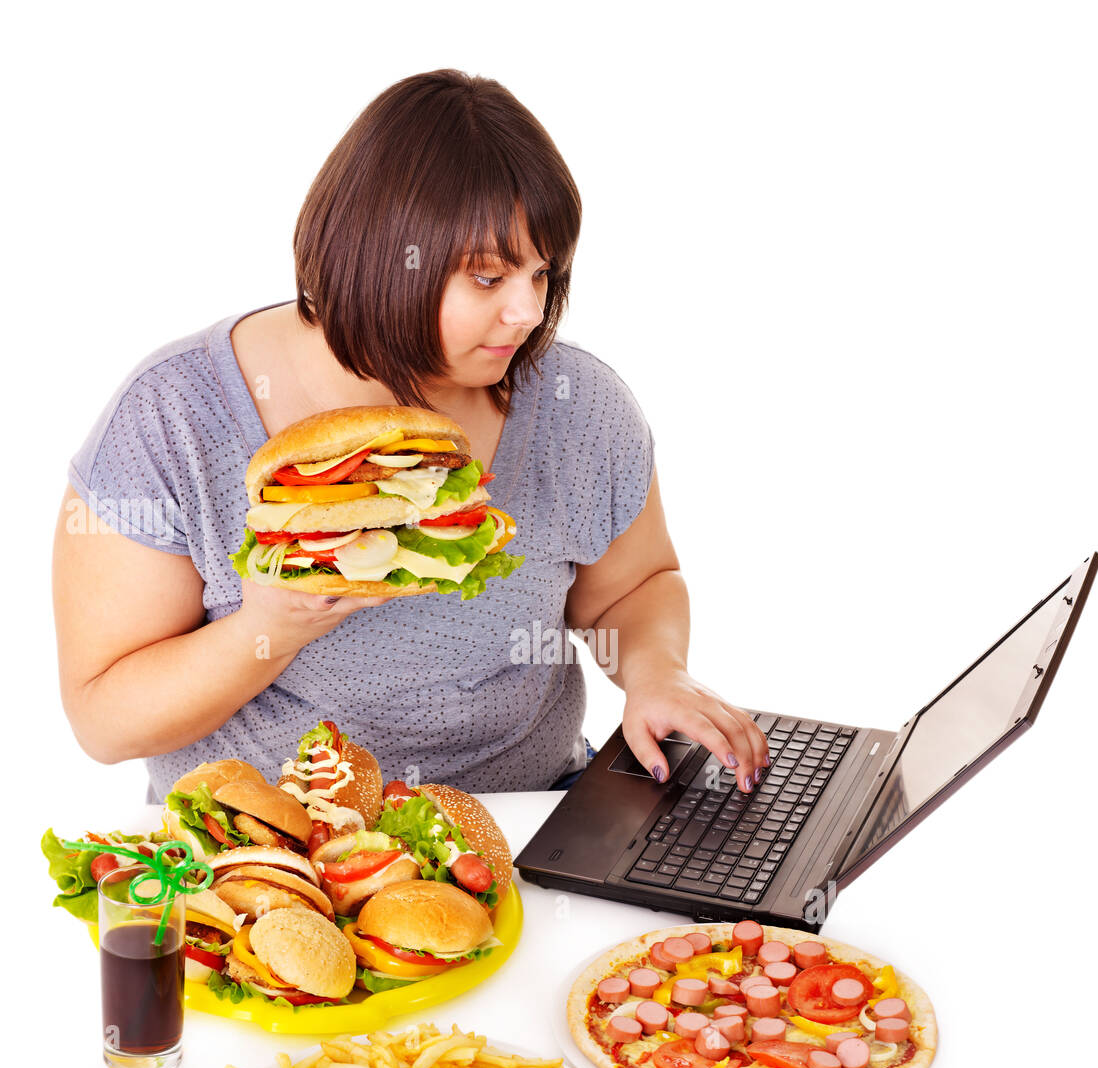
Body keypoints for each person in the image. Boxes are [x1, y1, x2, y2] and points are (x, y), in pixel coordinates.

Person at [53, 69, 769, 800]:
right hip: (271, 861)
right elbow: (104, 720)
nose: (527, 312)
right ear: (376, 259)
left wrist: (656, 674)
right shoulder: (175, 415)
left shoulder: (577, 404)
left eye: (541, 274)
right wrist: (268, 628)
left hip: (525, 832)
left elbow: (634, 587)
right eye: (487, 279)